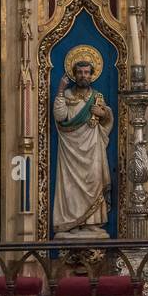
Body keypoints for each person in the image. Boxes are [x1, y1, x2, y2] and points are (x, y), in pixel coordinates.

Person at [52, 53, 113, 232]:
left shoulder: (97, 97)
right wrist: (61, 89)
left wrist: (104, 114)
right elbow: (60, 116)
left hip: (93, 148)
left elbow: (107, 118)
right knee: (70, 187)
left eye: (87, 72)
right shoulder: (67, 94)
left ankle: (92, 223)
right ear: (74, 74)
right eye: (80, 72)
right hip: (70, 149)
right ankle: (72, 223)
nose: (83, 75)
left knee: (94, 181)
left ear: (92, 74)